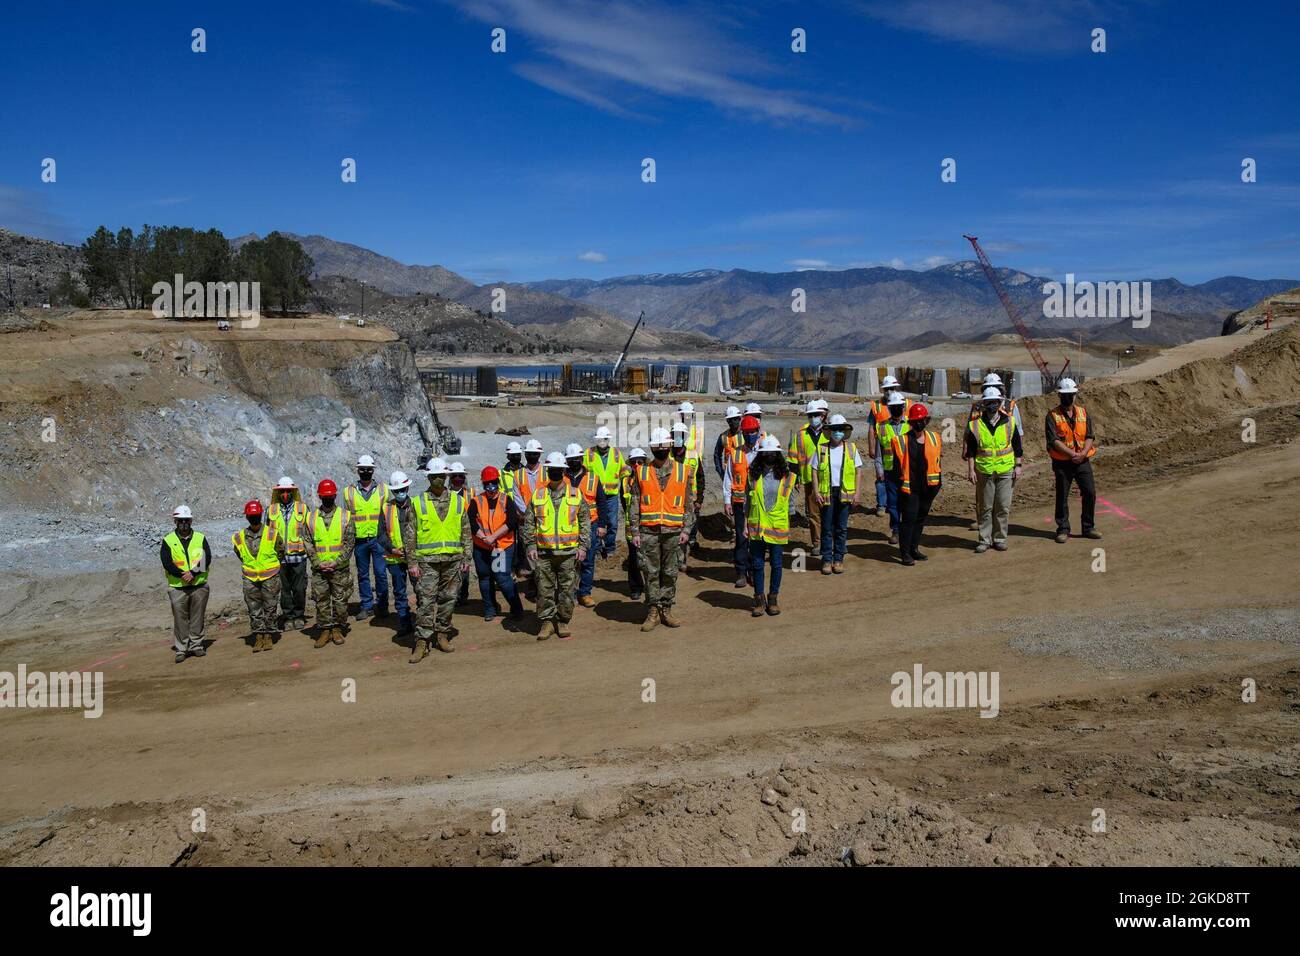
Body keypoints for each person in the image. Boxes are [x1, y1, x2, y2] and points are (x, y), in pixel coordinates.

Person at [401, 458, 471, 662]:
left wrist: (467, 557)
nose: (438, 479)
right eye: (435, 476)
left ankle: (442, 634)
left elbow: (466, 532)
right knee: (425, 602)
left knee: (448, 600)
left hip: (453, 560)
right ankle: (422, 642)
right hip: (427, 563)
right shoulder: (417, 502)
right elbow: (410, 535)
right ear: (429, 478)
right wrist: (412, 563)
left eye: (442, 476)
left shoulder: (458, 501)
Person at [521, 452, 590, 641]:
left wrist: (583, 547)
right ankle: (547, 622)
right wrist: (530, 546)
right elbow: (528, 523)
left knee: (567, 590)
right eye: (552, 470)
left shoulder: (576, 494)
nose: (555, 473)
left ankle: (563, 621)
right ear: (547, 471)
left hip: (568, 553)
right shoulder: (539, 494)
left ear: (564, 471)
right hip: (544, 552)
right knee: (544, 590)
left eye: (558, 470)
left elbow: (585, 521)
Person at [630, 427, 692, 631]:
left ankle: (666, 609)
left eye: (664, 447)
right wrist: (635, 532)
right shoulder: (642, 471)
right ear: (651, 449)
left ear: (670, 447)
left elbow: (688, 503)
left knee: (670, 571)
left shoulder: (683, 470)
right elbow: (635, 503)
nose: (661, 450)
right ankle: (653, 610)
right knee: (650, 572)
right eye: (657, 447)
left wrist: (686, 530)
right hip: (649, 531)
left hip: (673, 531)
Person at [966, 387, 1024, 553]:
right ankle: (984, 540)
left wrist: (1018, 466)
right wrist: (971, 470)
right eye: (988, 402)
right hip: (984, 471)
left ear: (1000, 403)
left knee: (1002, 507)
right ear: (984, 404)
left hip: (1006, 470)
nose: (992, 405)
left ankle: (999, 539)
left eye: (995, 402)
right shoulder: (975, 425)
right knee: (985, 507)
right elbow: (971, 451)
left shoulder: (1010, 422)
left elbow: (1018, 448)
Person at [745, 435, 796, 617]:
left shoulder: (786, 475)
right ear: (761, 454)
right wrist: (744, 524)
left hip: (777, 526)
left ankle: (773, 599)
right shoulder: (753, 475)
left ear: (778, 454)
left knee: (776, 564)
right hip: (757, 525)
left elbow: (790, 502)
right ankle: (759, 600)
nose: (769, 455)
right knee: (757, 564)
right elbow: (747, 501)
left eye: (773, 452)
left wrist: (790, 522)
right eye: (766, 452)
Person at [1047, 377, 1102, 544]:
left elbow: (1089, 435)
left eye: (1070, 394)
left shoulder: (1083, 413)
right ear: (1060, 396)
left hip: (1082, 460)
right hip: (1063, 462)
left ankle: (1088, 527)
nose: (1068, 397)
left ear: (1075, 395)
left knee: (1090, 492)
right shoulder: (1052, 416)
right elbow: (1054, 441)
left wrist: (1083, 453)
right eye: (1065, 395)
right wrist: (1072, 454)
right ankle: (1063, 529)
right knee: (1062, 495)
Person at [888, 403, 942, 566]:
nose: (919, 423)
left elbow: (937, 462)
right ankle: (905, 553)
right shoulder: (900, 441)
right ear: (910, 422)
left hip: (929, 487)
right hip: (909, 488)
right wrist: (899, 490)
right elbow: (896, 469)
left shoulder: (935, 438)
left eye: (921, 420)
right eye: (915, 421)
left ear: (926, 421)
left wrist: (938, 484)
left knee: (920, 519)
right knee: (909, 520)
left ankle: (914, 549)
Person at [470, 466, 524, 622]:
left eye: (493, 483)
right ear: (483, 484)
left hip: (501, 546)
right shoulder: (476, 501)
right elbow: (471, 523)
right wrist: (484, 538)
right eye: (487, 484)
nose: (491, 488)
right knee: (484, 577)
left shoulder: (506, 499)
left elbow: (511, 521)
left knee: (502, 578)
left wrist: (493, 537)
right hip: (481, 547)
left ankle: (516, 608)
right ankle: (489, 608)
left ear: (498, 482)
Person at [306, 478, 355, 647]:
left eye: (330, 496)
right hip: (319, 569)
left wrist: (337, 562)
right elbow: (308, 542)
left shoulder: (345, 516)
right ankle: (325, 630)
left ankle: (338, 628)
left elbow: (349, 543)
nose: (328, 498)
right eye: (324, 496)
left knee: (340, 602)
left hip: (339, 569)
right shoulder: (310, 518)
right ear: (320, 497)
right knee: (322, 601)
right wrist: (317, 562)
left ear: (334, 496)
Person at [233, 499, 285, 653]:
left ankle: (268, 635)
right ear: (247, 517)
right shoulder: (239, 537)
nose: (254, 517)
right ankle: (258, 636)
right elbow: (240, 554)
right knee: (254, 609)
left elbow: (280, 552)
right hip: (250, 578)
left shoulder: (272, 533)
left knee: (270, 607)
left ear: (261, 515)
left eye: (256, 515)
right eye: (251, 515)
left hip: (270, 577)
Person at [161, 504, 211, 663]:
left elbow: (206, 558)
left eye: (186, 520)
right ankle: (182, 648)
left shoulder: (200, 538)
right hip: (178, 588)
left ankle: (196, 645)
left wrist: (193, 573)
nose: (184, 523)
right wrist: (182, 575)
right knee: (180, 619)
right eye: (180, 521)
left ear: (191, 521)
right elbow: (167, 562)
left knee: (197, 618)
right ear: (175, 522)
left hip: (198, 585)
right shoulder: (168, 540)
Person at [812, 413, 861, 574]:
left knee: (841, 528)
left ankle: (838, 559)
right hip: (827, 494)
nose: (837, 432)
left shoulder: (851, 448)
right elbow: (814, 471)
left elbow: (857, 471)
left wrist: (857, 492)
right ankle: (826, 560)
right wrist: (816, 491)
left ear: (845, 431)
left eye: (840, 429)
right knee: (826, 528)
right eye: (835, 429)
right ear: (829, 430)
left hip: (845, 494)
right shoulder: (822, 449)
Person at [343, 454, 389, 622]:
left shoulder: (384, 490)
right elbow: (346, 518)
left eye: (368, 469)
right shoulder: (348, 492)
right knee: (363, 575)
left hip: (378, 540)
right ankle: (367, 606)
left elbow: (389, 515)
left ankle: (383, 606)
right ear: (358, 470)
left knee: (380, 573)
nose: (365, 472)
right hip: (359, 540)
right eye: (362, 469)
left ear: (373, 470)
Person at [721, 414, 762, 587]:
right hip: (739, 502)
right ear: (742, 434)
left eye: (753, 432)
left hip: (758, 503)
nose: (750, 435)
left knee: (756, 537)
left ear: (758, 432)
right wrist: (727, 500)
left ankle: (755, 570)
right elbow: (728, 478)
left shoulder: (763, 451)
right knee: (741, 536)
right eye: (747, 432)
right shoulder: (736, 454)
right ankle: (741, 572)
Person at [563, 442, 604, 608]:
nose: (574, 462)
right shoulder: (561, 478)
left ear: (582, 459)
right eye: (571, 459)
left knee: (588, 560)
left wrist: (602, 525)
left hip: (591, 524)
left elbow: (602, 503)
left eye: (576, 459)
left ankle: (585, 593)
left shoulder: (593, 478)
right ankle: (569, 594)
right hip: (568, 526)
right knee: (569, 562)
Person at [377, 470, 416, 637]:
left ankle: (423, 621)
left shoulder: (416, 505)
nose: (400, 493)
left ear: (407, 489)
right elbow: (380, 534)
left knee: (421, 590)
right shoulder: (386, 509)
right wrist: (392, 548)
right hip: (395, 558)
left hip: (414, 557)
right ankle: (404, 623)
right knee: (400, 592)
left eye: (402, 490)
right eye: (397, 491)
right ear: (393, 491)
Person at [268, 476, 309, 630]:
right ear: (278, 492)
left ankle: (299, 615)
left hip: (298, 557)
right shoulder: (271, 510)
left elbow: (308, 532)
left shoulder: (303, 509)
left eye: (288, 491)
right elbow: (267, 534)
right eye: (282, 491)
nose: (285, 494)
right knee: (285, 590)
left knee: (299, 589)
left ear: (293, 492)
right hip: (280, 559)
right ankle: (288, 617)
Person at [867, 376, 911, 518]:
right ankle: (882, 504)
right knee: (881, 477)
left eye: (892, 388)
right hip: (884, 447)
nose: (889, 391)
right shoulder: (877, 406)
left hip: (903, 453)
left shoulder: (906, 403)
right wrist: (871, 447)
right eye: (887, 389)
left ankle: (900, 505)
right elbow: (872, 428)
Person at [789, 398, 830, 550]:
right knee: (814, 514)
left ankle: (829, 541)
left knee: (829, 513)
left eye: (816, 415)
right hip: (809, 481)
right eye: (810, 415)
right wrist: (795, 478)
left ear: (822, 415)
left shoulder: (830, 433)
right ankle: (817, 543)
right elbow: (792, 459)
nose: (813, 418)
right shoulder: (800, 435)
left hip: (829, 480)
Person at [872, 392, 909, 545]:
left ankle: (907, 530)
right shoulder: (881, 427)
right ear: (889, 408)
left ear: (903, 407)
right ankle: (896, 530)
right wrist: (879, 470)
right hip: (890, 471)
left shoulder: (910, 425)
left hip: (907, 471)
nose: (896, 409)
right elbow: (879, 452)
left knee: (907, 502)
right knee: (893, 503)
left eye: (898, 407)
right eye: (893, 407)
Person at [583, 426, 624, 559]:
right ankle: (597, 547)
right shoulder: (588, 453)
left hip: (611, 495)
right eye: (600, 439)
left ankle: (610, 547)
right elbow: (583, 472)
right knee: (595, 521)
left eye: (604, 439)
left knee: (612, 522)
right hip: (594, 495)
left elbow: (623, 470)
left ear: (608, 439)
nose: (602, 442)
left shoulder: (616, 453)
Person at [512, 439, 546, 594]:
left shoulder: (547, 472)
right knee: (530, 552)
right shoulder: (518, 475)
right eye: (530, 454)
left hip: (545, 517)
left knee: (545, 550)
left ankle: (544, 583)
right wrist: (528, 513)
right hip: (526, 519)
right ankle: (534, 582)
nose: (532, 456)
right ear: (525, 454)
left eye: (535, 454)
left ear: (539, 454)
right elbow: (517, 496)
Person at [671, 421, 705, 566]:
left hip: (689, 500)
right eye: (676, 435)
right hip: (671, 500)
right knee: (673, 530)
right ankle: (672, 560)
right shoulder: (667, 456)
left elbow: (701, 477)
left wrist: (699, 500)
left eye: (681, 435)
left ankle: (681, 559)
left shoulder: (693, 455)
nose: (678, 438)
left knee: (685, 528)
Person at [621, 447, 647, 601]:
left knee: (650, 558)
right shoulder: (625, 482)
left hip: (650, 525)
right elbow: (624, 503)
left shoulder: (651, 478)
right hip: (631, 527)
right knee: (633, 559)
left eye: (640, 461)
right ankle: (635, 587)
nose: (637, 464)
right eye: (634, 462)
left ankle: (652, 586)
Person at [449, 462, 474, 604]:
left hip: (467, 535)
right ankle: (452, 594)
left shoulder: (470, 494)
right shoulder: (445, 494)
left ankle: (463, 594)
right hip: (451, 535)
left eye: (460, 476)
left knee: (465, 566)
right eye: (455, 476)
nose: (458, 478)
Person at [712, 405, 743, 480]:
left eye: (735, 419)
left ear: (739, 419)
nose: (733, 422)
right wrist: (721, 472)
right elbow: (717, 455)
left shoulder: (746, 434)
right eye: (730, 420)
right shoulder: (723, 436)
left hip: (743, 474)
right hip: (728, 475)